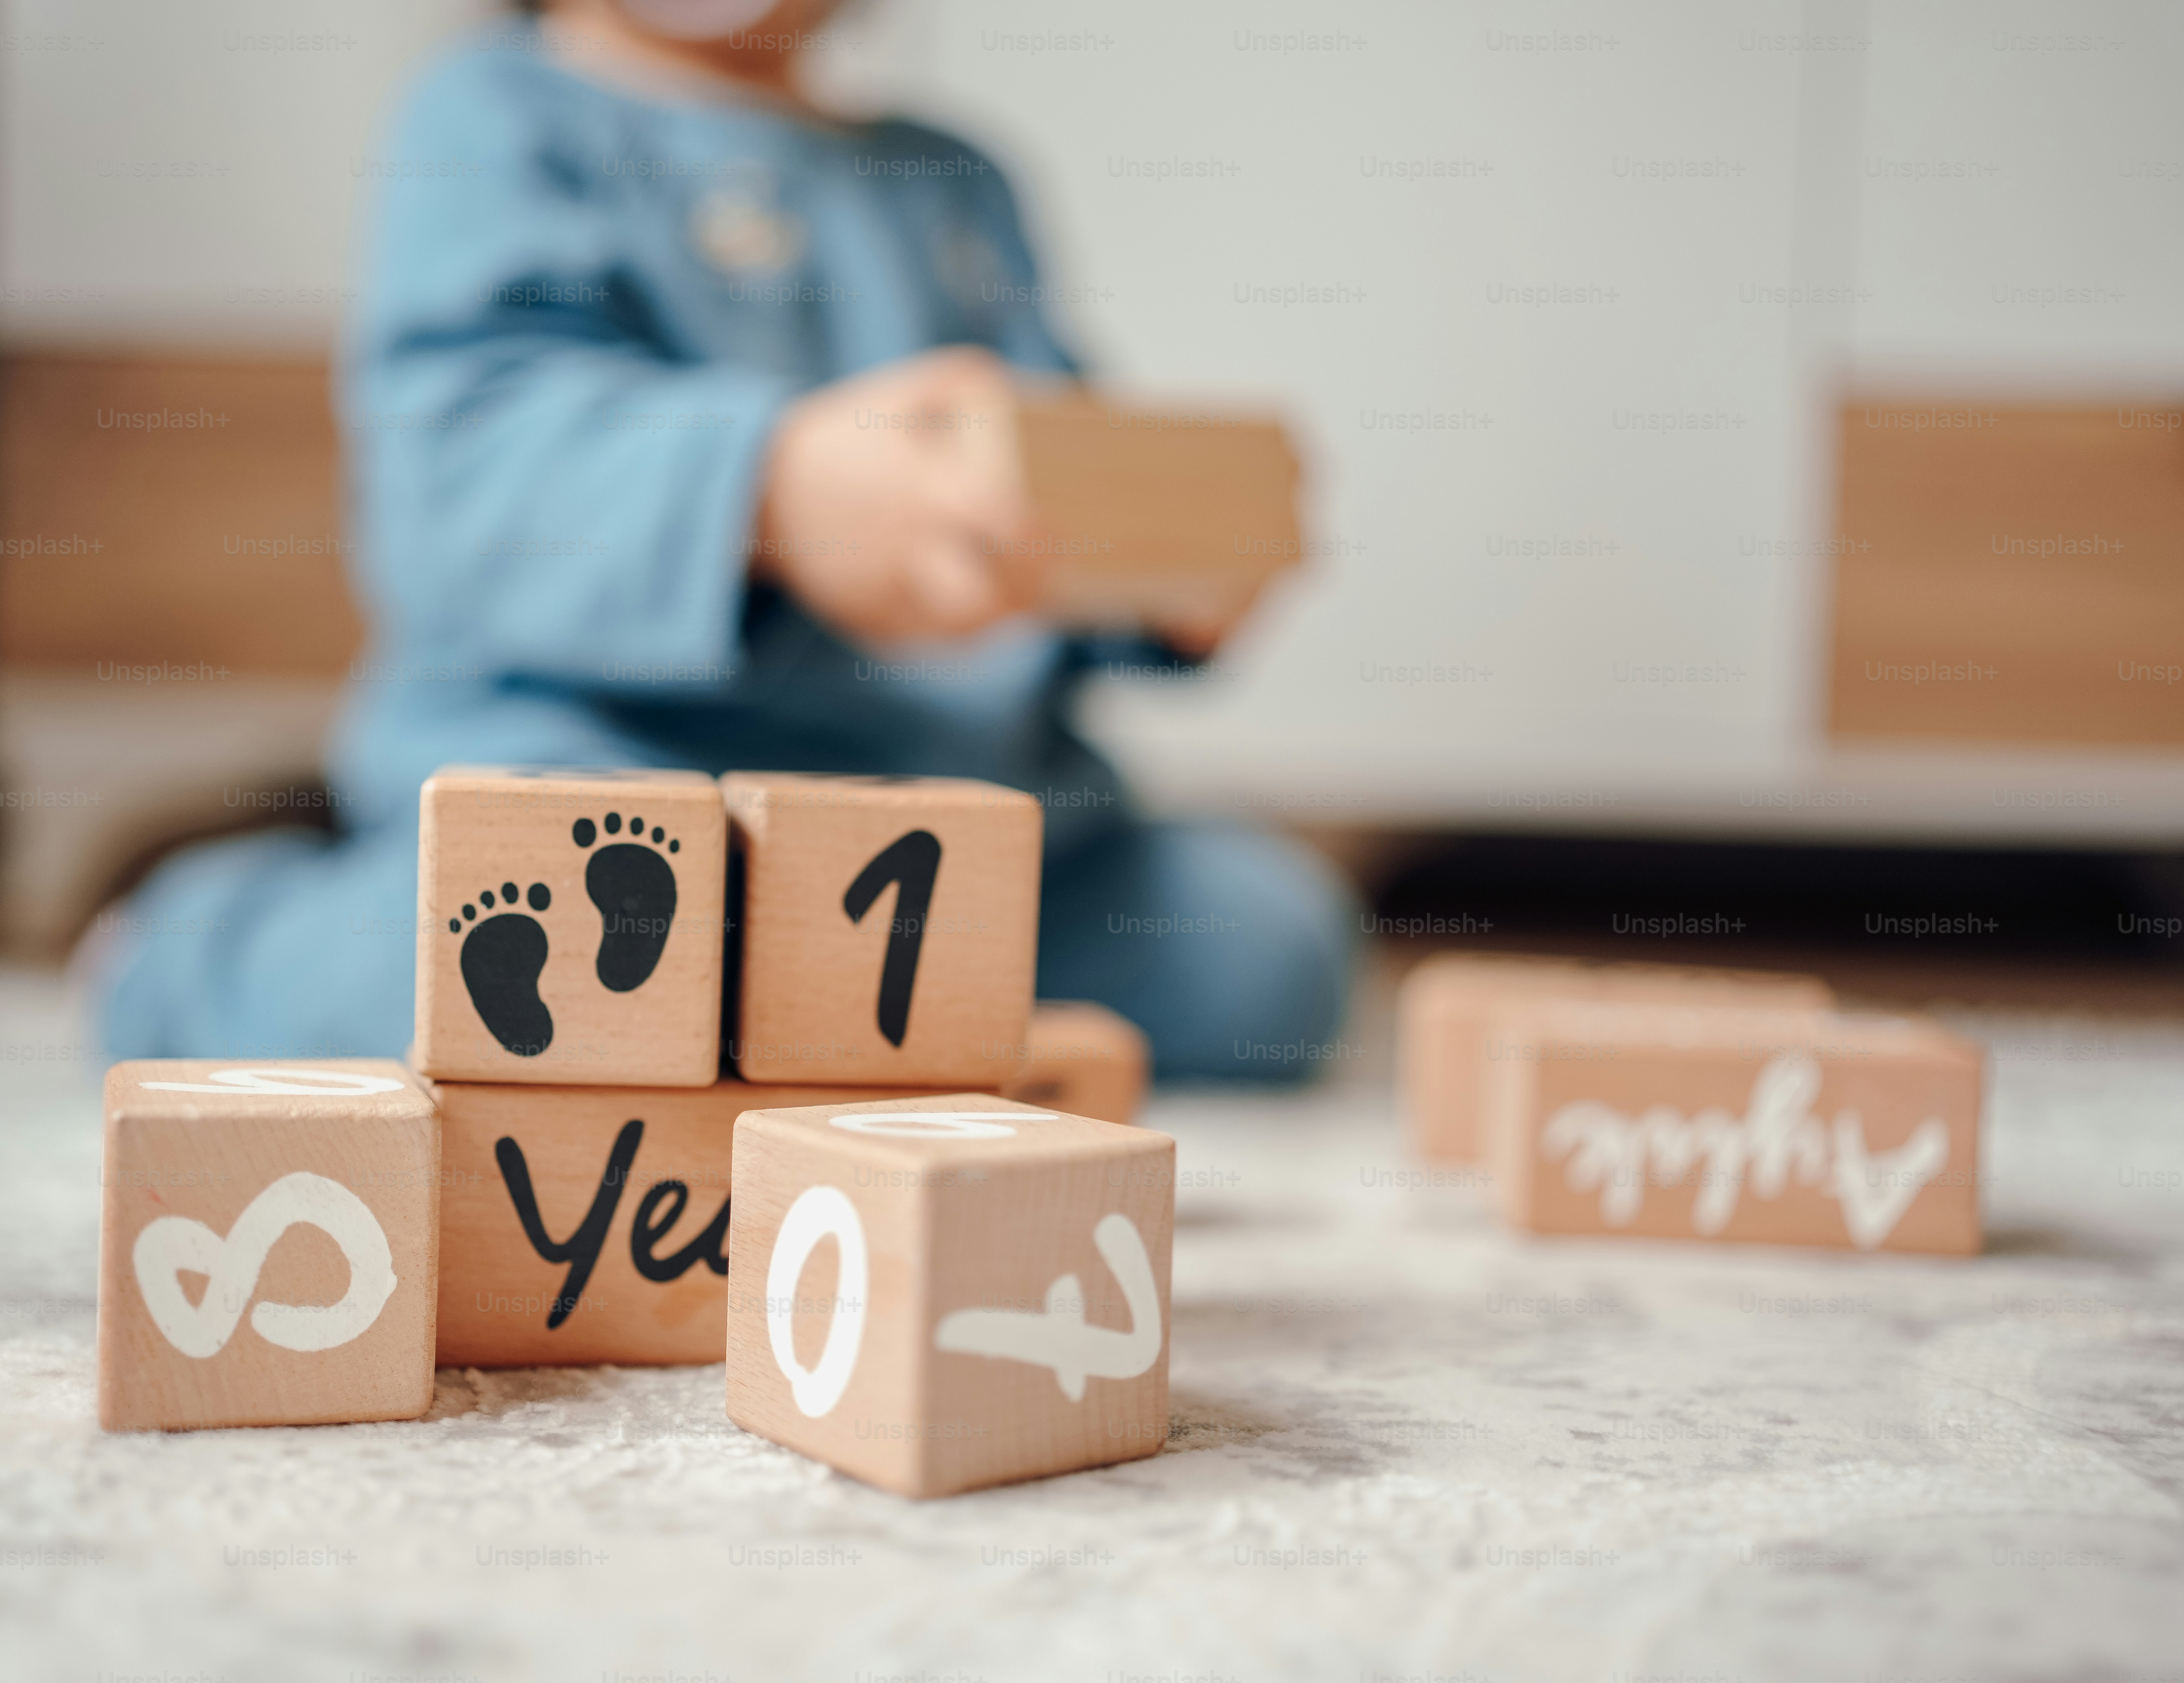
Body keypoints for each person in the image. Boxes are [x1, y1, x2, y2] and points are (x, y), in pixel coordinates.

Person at [96, 0, 1351, 1080]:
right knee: (545, 962)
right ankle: (199, 953)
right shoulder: (498, 115)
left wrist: (1163, 564)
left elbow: (1043, 482)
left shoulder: (961, 180)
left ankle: (828, 1033)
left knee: (1261, 945)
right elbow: (465, 469)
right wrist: (769, 490)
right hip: (607, 800)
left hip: (966, 835)